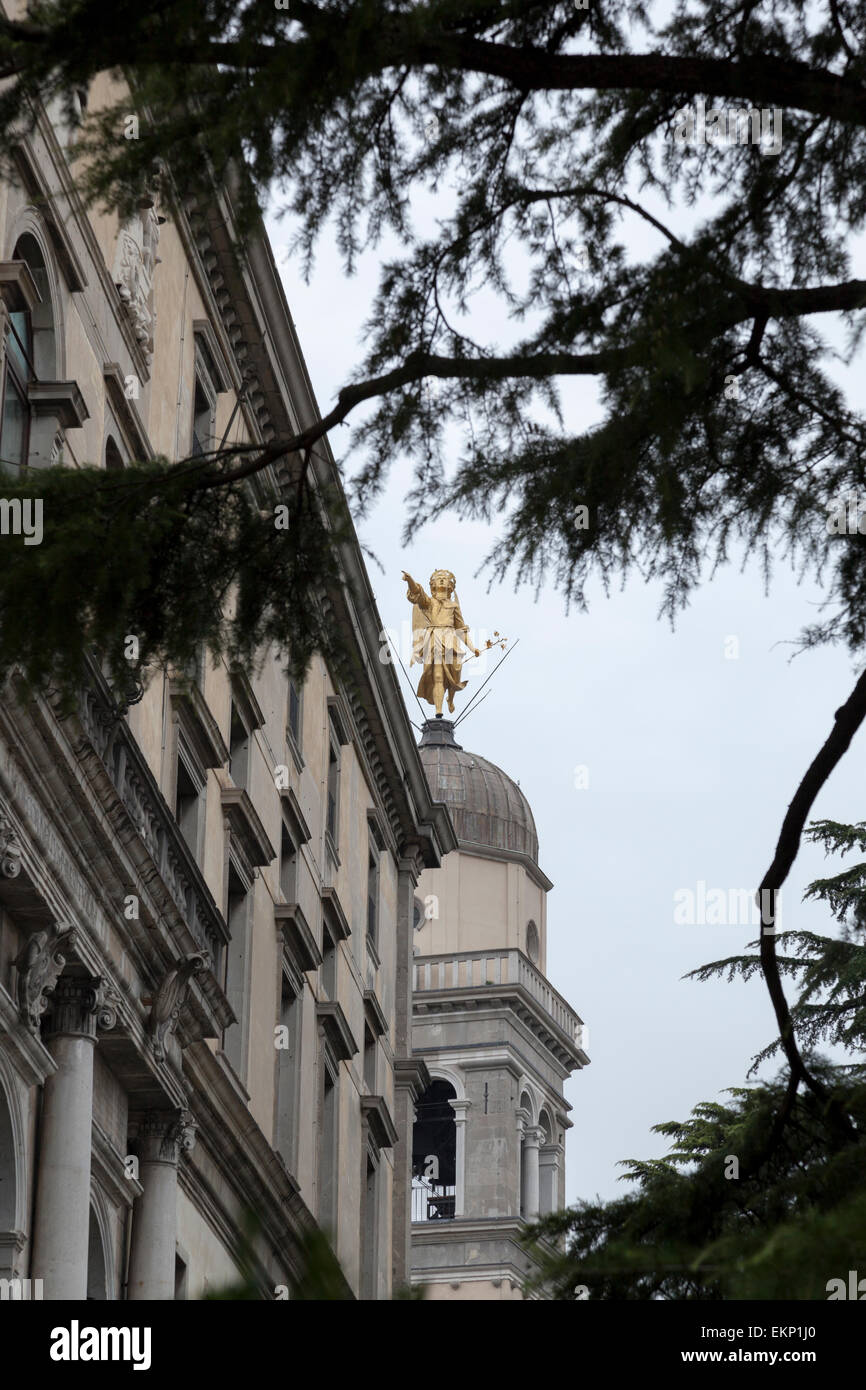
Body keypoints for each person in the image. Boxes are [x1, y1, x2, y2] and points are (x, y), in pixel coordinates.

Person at [402, 568, 480, 716]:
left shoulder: (453, 606)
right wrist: (410, 580)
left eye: (445, 578)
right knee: (437, 676)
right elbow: (417, 593)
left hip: (450, 639)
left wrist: (472, 648)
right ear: (433, 584)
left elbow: (461, 629)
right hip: (434, 638)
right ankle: (439, 711)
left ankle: (450, 697)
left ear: (450, 585)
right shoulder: (429, 602)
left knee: (454, 674)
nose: (442, 580)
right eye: (438, 578)